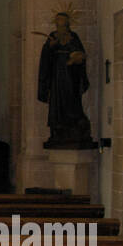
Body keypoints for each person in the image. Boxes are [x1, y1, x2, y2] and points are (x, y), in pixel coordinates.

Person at [37, 11, 95, 148]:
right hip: (57, 74)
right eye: (57, 20)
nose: (59, 22)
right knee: (57, 99)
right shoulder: (52, 36)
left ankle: (72, 123)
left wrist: (74, 58)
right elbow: (46, 55)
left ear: (67, 22)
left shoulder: (73, 36)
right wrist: (50, 47)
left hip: (70, 73)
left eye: (62, 20)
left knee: (71, 96)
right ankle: (58, 127)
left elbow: (81, 54)